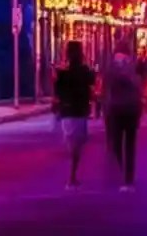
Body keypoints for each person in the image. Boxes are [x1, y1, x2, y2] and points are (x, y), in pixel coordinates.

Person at [102, 39, 145, 192]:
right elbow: (138, 87)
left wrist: (104, 108)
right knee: (130, 145)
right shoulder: (132, 67)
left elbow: (106, 88)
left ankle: (121, 174)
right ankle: (129, 179)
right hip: (131, 108)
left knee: (117, 143)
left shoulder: (110, 67)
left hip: (116, 108)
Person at [55, 41, 97, 189]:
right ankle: (72, 176)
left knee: (72, 143)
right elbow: (92, 81)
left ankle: (72, 175)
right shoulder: (84, 70)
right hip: (79, 110)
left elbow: (57, 91)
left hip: (67, 111)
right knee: (77, 145)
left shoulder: (63, 72)